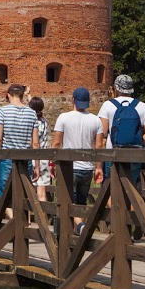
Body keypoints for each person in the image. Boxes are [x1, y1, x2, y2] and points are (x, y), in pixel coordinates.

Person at [53, 87, 103, 230]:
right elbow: (99, 145)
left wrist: (52, 163)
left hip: (70, 168)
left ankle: (80, 227)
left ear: (73, 100)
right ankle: (79, 231)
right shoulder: (96, 120)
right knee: (81, 203)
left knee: (68, 201)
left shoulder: (63, 117)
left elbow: (56, 143)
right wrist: (98, 167)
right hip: (87, 168)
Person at [98, 74, 145, 190]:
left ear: (116, 88)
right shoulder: (143, 106)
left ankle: (114, 208)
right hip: (135, 153)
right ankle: (132, 208)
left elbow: (102, 134)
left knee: (109, 190)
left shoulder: (107, 106)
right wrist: (135, 140)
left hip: (112, 153)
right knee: (132, 190)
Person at [0, 84, 38, 195]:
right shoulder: (32, 113)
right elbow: (35, 143)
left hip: (7, 158)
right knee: (25, 196)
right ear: (22, 96)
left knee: (4, 197)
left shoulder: (2, 111)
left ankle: (11, 213)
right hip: (26, 159)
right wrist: (37, 165)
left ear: (8, 95)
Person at [28, 97, 53, 202]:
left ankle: (29, 218)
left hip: (34, 158)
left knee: (30, 193)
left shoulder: (32, 123)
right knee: (42, 194)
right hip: (44, 158)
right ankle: (42, 218)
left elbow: (34, 143)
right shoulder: (44, 121)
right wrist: (29, 95)